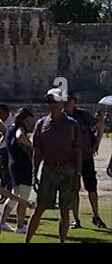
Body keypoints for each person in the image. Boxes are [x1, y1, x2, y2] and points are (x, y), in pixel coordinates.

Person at [26, 89, 82, 243]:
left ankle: (62, 241)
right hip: (49, 169)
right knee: (40, 208)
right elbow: (37, 151)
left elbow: (78, 151)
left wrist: (78, 175)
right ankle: (27, 241)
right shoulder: (41, 123)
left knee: (65, 210)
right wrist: (34, 173)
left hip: (68, 169)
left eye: (55, 101)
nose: (52, 105)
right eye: (49, 101)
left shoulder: (72, 124)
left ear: (62, 103)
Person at [67, 94, 106, 229]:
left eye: (68, 101)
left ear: (74, 102)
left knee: (91, 187)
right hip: (70, 159)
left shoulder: (82, 115)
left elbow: (100, 125)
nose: (66, 104)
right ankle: (76, 219)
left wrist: (96, 144)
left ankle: (96, 215)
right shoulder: (62, 117)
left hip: (86, 157)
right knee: (74, 190)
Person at [0, 108, 35, 233]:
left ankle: (3, 221)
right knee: (23, 196)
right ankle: (20, 225)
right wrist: (31, 144)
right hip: (22, 166)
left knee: (15, 195)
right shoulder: (20, 128)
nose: (31, 124)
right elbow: (20, 137)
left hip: (13, 165)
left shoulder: (10, 127)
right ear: (24, 120)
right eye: (30, 121)